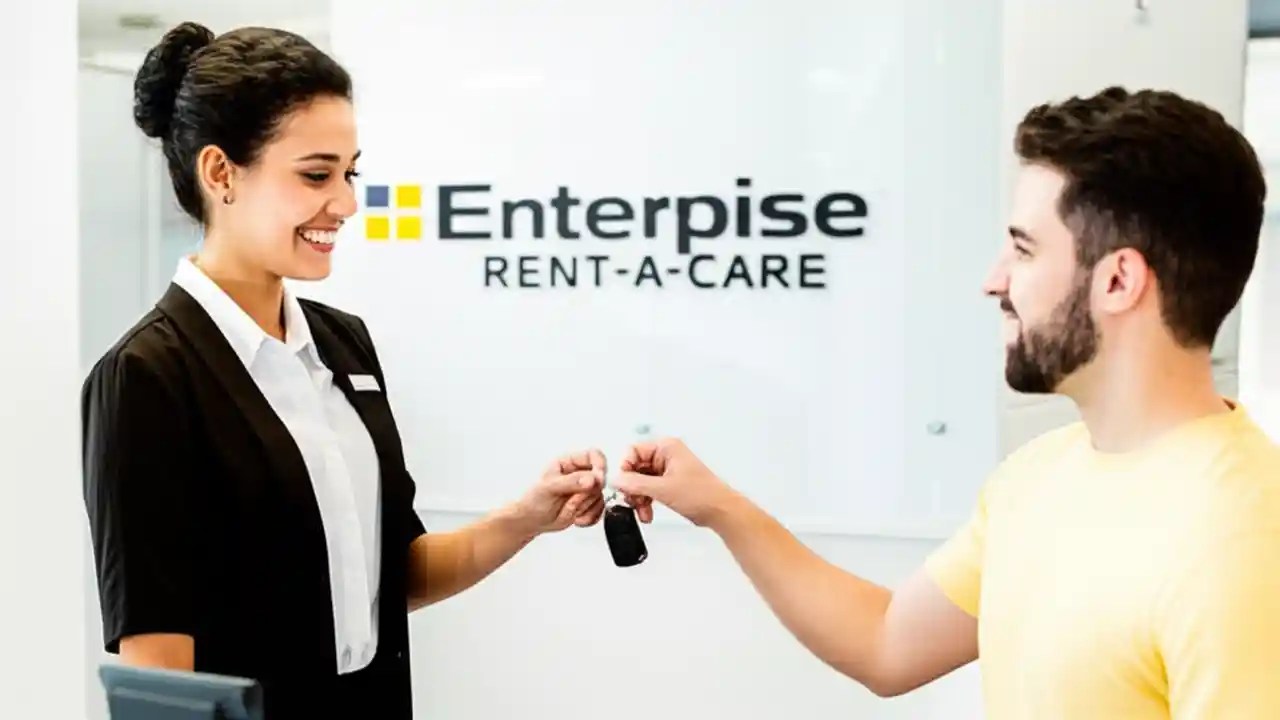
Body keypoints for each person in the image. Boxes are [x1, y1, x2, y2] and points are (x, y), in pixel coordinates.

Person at [612, 86, 1280, 718]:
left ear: (1118, 281)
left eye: (1023, 250)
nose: (994, 281)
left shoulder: (1242, 541)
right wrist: (720, 506)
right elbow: (886, 643)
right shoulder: (1038, 475)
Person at [80, 22, 606, 719]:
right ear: (221, 173)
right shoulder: (147, 375)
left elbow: (394, 573)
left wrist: (526, 517)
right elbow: (160, 670)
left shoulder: (343, 344)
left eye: (350, 173)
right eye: (316, 174)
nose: (348, 203)